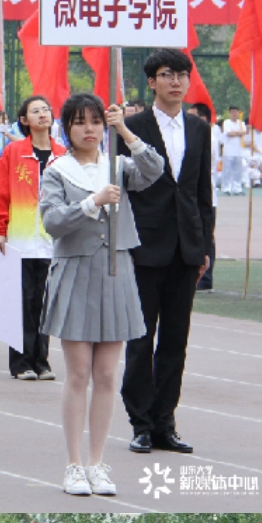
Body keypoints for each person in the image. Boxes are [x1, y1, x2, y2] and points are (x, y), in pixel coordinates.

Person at [39, 92, 163, 496]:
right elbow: (53, 221)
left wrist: (124, 128)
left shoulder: (118, 164)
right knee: (78, 374)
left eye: (95, 121)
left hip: (116, 270)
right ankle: (73, 465)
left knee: (108, 374)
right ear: (67, 128)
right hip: (76, 269)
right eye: (80, 122)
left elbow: (155, 169)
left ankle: (97, 464)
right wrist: (92, 202)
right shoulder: (57, 170)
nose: (89, 129)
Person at [121, 49, 213, 455]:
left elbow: (201, 191)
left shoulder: (199, 128)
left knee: (176, 339)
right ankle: (139, 423)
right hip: (143, 246)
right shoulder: (131, 127)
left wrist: (205, 245)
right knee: (141, 339)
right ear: (152, 82)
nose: (175, 81)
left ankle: (165, 423)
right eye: (166, 74)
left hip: (186, 247)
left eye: (181, 74)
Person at [0, 94, 61, 380]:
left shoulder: (63, 154)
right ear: (24, 120)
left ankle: (41, 361)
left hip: (51, 241)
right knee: (22, 302)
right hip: (19, 240)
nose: (43, 114)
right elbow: (0, 192)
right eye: (35, 110)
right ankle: (20, 363)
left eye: (46, 109)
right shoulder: (14, 152)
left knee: (44, 304)